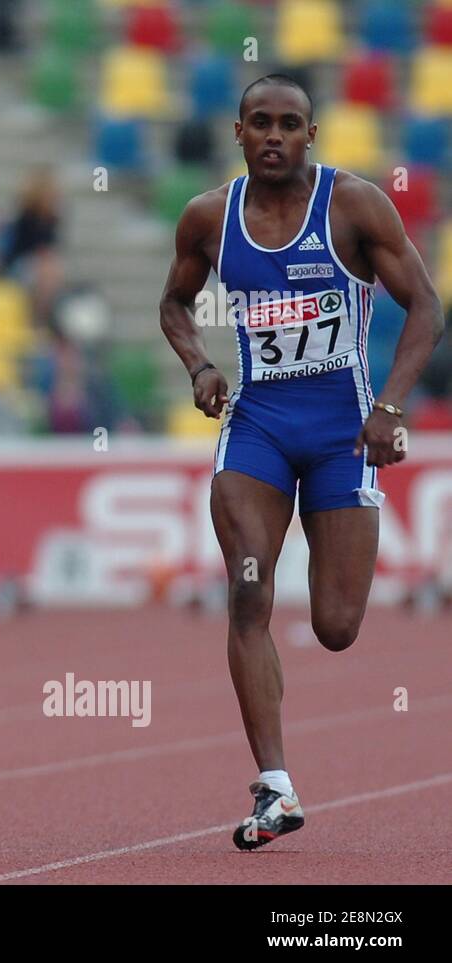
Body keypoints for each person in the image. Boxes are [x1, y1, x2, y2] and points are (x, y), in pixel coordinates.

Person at [159, 75, 443, 850]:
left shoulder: (353, 206)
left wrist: (388, 408)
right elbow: (175, 302)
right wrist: (201, 367)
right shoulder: (209, 218)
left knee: (337, 625)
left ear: (311, 134)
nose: (275, 135)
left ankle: (281, 769)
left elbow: (426, 304)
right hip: (256, 427)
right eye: (261, 123)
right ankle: (276, 785)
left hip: (341, 432)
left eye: (290, 123)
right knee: (249, 588)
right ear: (239, 133)